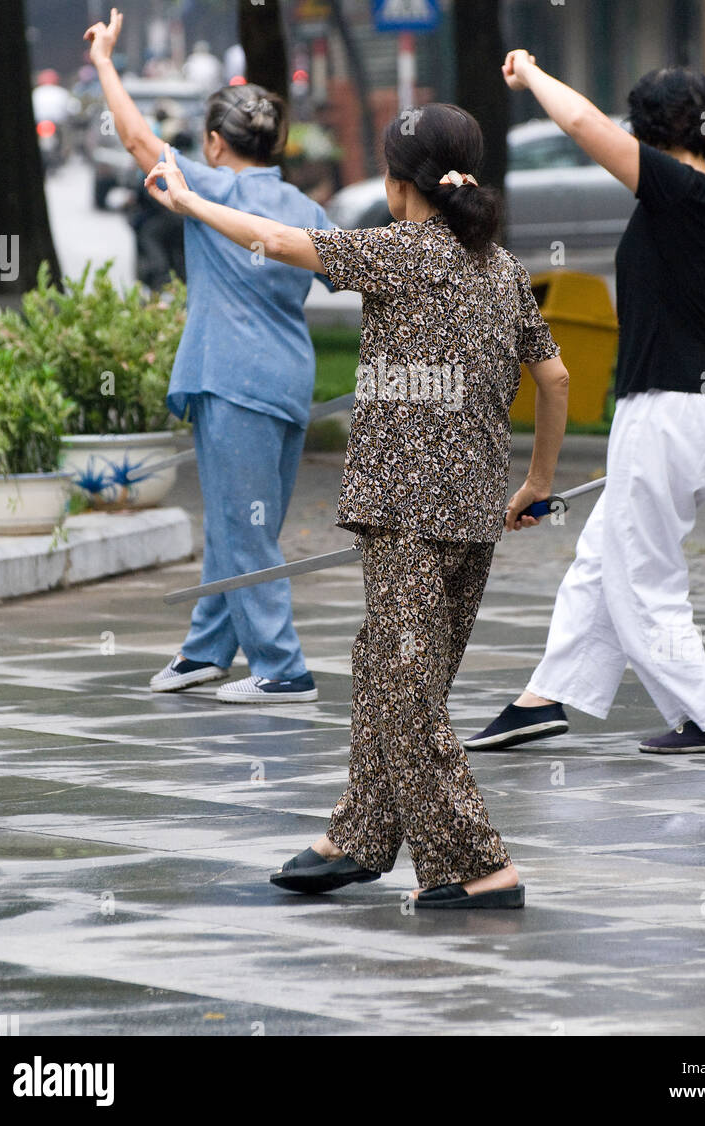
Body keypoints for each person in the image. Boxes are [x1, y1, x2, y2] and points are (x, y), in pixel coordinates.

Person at [144, 102, 571, 909]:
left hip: (405, 516)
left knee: (405, 697)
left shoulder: (402, 251)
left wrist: (191, 201)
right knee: (389, 676)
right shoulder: (502, 267)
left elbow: (276, 242)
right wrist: (537, 483)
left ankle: (479, 866)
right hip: (476, 512)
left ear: (396, 183)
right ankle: (360, 834)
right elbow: (554, 379)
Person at [467, 56, 705, 757]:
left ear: (647, 128)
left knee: (638, 568)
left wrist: (531, 72)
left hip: (670, 404)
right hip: (700, 408)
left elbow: (577, 122)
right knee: (602, 555)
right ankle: (543, 697)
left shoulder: (676, 188)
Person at [84, 8, 335, 703]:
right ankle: (205, 650)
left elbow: (135, 138)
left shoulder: (209, 188)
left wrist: (105, 60)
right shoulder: (301, 206)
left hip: (234, 379)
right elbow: (349, 272)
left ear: (218, 144)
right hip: (287, 378)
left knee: (246, 528)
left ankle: (283, 670)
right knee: (242, 519)